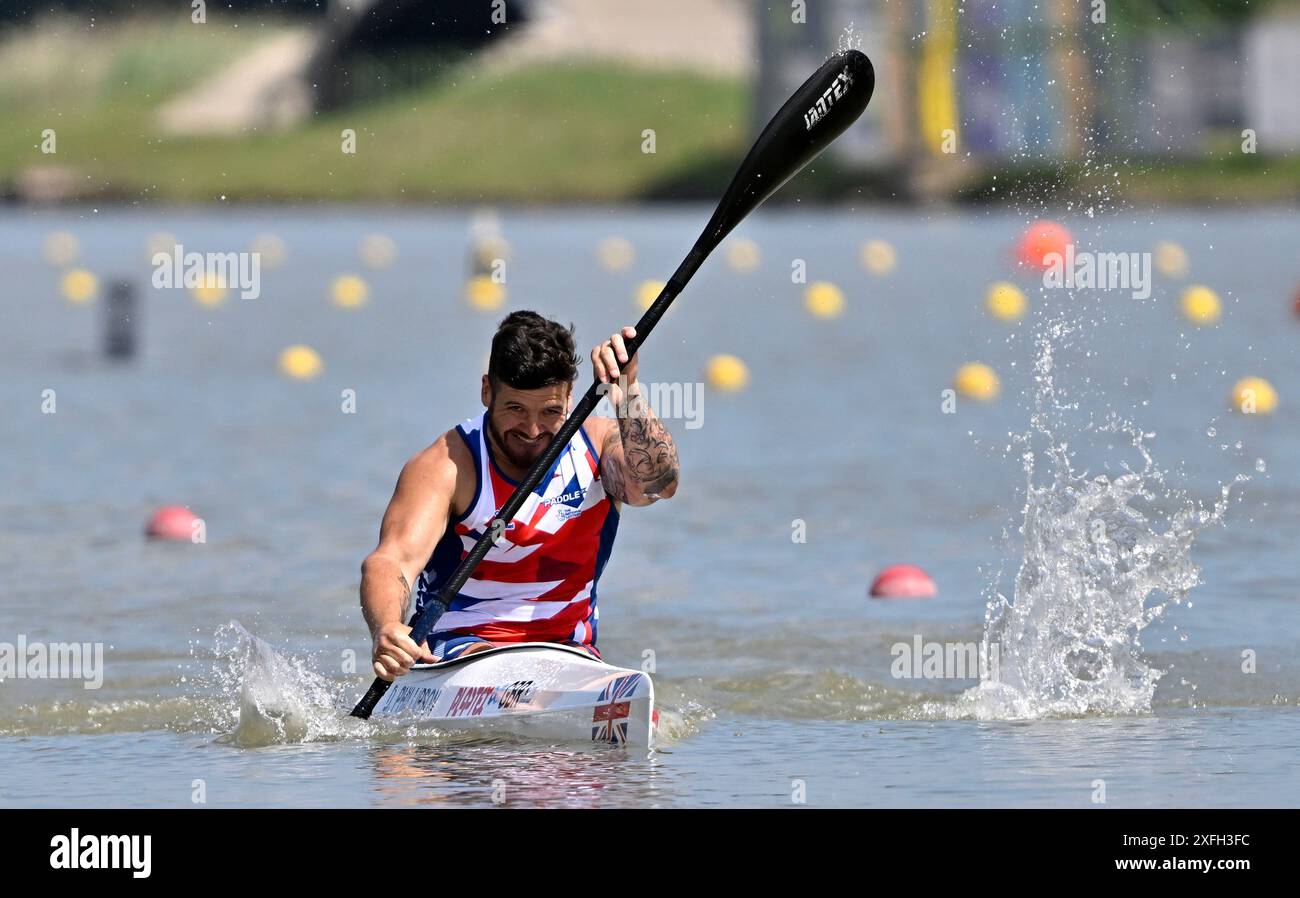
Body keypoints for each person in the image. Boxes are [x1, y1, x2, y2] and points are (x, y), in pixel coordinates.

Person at [361, 310, 680, 681]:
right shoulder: (447, 465)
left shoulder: (598, 446)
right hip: (455, 655)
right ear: (486, 391)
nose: (532, 430)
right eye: (515, 409)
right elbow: (391, 562)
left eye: (550, 412)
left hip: (570, 655)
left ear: (570, 399)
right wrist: (387, 628)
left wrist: (627, 393)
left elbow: (659, 485)